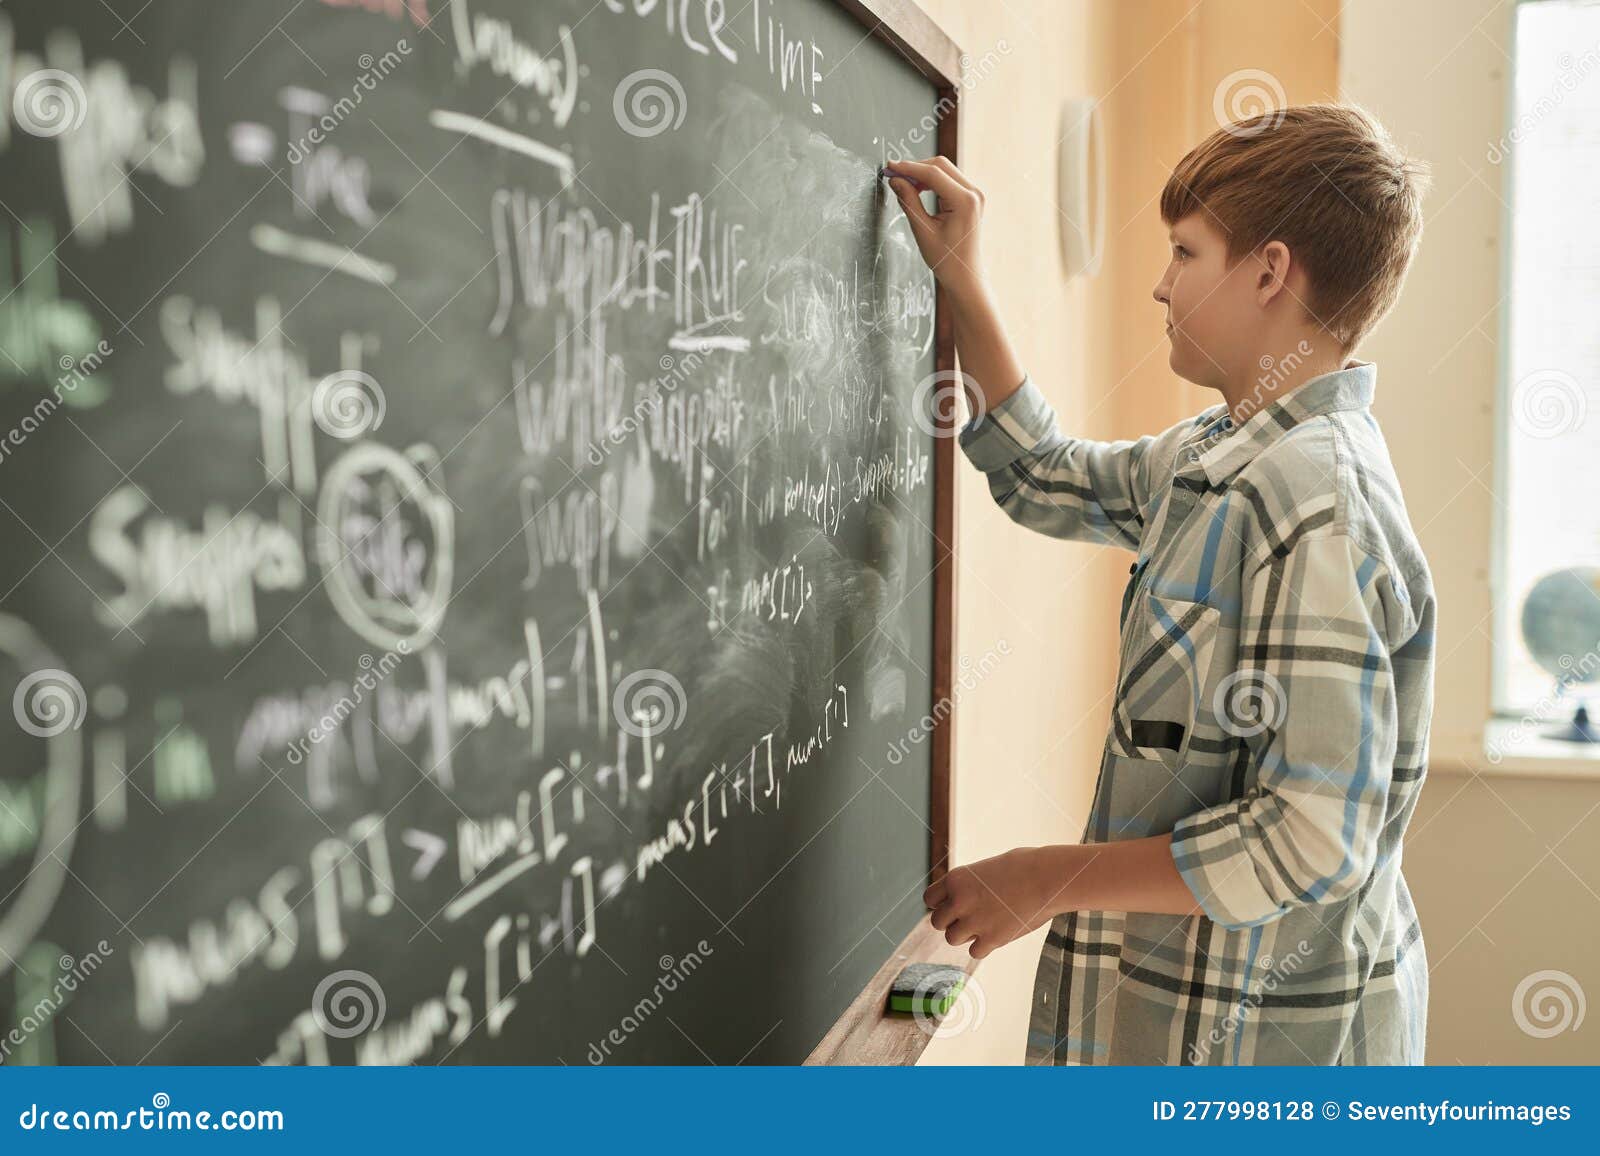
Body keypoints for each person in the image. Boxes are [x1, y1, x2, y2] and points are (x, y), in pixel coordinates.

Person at [885, 102, 1435, 1065]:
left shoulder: (1317, 507)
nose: (1158, 284)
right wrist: (960, 276)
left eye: (1184, 253)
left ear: (1268, 270)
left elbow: (1309, 838)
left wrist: (1049, 878)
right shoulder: (1217, 454)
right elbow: (1039, 473)